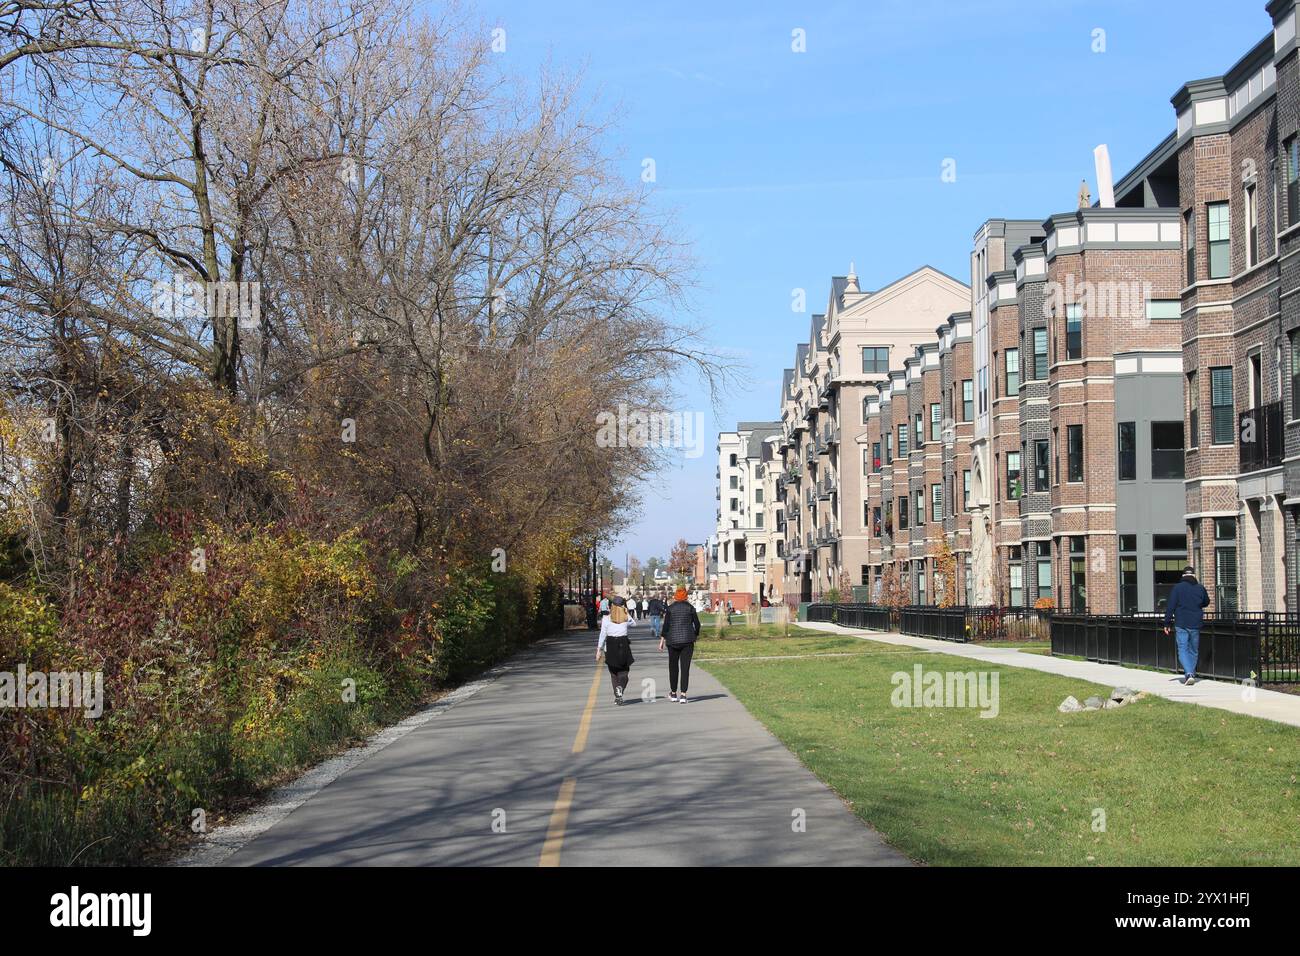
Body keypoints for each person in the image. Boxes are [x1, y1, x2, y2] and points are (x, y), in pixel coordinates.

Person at [1163, 565, 1210, 685]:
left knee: (1183, 649)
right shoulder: (1200, 588)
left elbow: (1171, 606)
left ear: (1183, 576)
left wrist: (1167, 623)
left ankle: (1189, 673)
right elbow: (1206, 602)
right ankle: (1191, 673)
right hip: (1195, 623)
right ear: (1194, 575)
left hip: (1181, 623)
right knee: (1194, 650)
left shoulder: (1177, 588)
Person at [659, 586, 701, 703]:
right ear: (686, 596)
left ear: (676, 596)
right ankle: (683, 694)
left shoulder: (670, 609)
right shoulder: (690, 608)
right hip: (687, 640)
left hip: (672, 641)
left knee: (673, 667)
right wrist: (695, 634)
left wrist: (662, 640)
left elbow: (666, 626)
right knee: (685, 667)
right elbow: (697, 624)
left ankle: (673, 693)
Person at [598, 596, 635, 705]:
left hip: (610, 645)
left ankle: (618, 696)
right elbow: (634, 623)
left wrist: (599, 649)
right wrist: (626, 612)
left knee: (614, 673)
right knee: (624, 672)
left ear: (612, 606)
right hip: (623, 644)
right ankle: (620, 689)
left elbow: (603, 634)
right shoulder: (625, 617)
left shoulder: (606, 618)